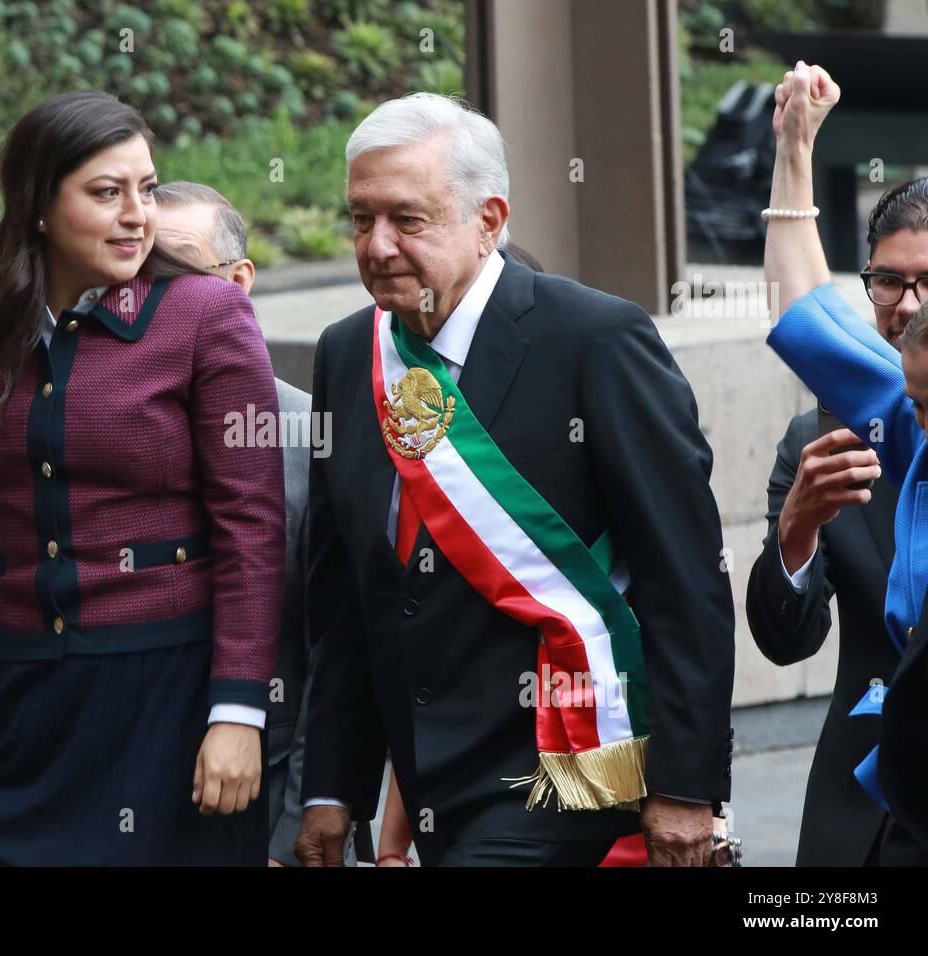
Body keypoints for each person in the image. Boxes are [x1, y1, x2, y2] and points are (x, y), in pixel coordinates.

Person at [295, 92, 736, 867]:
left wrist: (689, 785)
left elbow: (686, 576)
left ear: (489, 221)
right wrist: (332, 790)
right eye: (362, 219)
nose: (378, 245)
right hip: (429, 780)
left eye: (408, 219)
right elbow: (346, 602)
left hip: (564, 771)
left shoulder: (593, 340)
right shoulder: (345, 355)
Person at [0, 91, 284, 865]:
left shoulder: (206, 315)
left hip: (170, 700)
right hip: (21, 697)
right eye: (107, 193)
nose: (137, 213)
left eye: (146, 188)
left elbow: (254, 528)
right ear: (39, 205)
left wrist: (239, 710)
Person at [151, 179, 358, 867]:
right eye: (135, 272)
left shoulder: (306, 433)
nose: (149, 295)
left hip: (263, 793)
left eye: (176, 271)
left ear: (239, 283)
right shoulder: (91, 426)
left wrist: (297, 825)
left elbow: (337, 646)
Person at [763, 60, 928, 865]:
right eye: (892, 284)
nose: (911, 311)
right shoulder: (893, 416)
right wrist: (796, 147)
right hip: (874, 812)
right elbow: (803, 310)